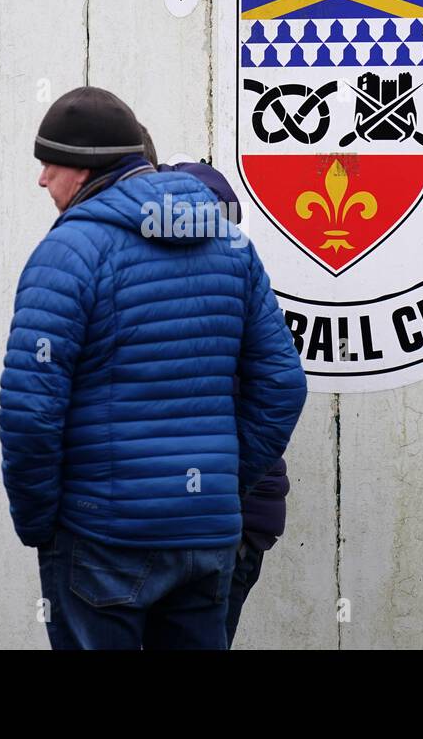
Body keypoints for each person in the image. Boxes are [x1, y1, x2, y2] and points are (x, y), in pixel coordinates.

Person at [0, 86, 307, 650]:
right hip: (205, 534)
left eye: (50, 162)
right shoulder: (230, 244)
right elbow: (282, 384)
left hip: (102, 535)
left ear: (87, 167)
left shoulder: (70, 250)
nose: (42, 178)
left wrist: (39, 522)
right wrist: (222, 482)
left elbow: (30, 410)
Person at [138, 126, 292, 647]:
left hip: (213, 517)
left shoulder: (178, 292)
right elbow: (278, 391)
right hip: (234, 515)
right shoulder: (242, 283)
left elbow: (278, 391)